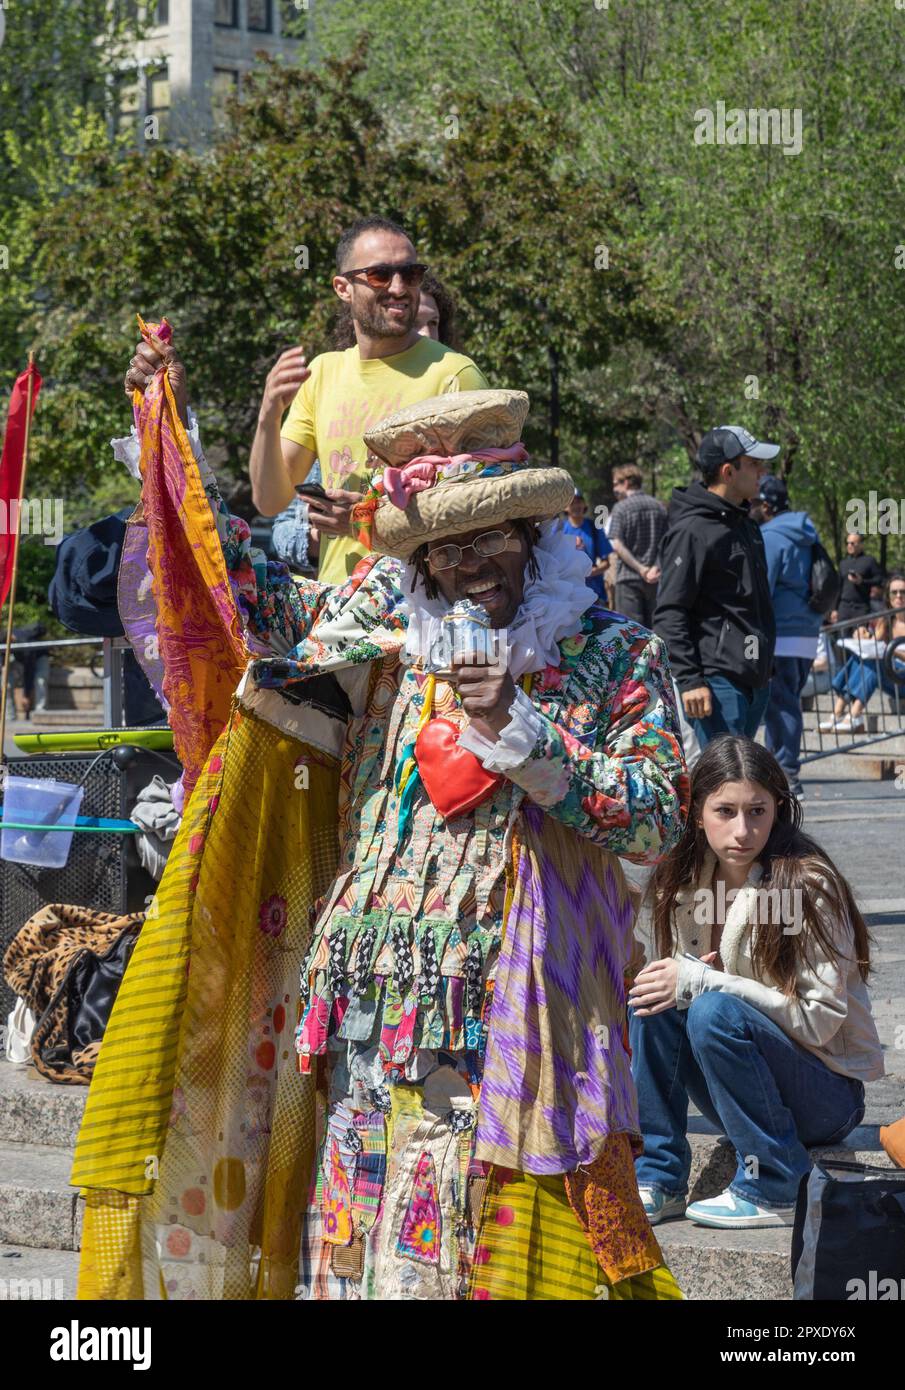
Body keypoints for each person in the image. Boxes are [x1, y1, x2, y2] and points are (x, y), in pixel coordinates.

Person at [74, 354, 691, 1300]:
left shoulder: (613, 653)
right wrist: (171, 447)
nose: (465, 564)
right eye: (441, 549)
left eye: (487, 538)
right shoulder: (387, 629)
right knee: (364, 1247)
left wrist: (527, 742)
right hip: (368, 1000)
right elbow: (248, 608)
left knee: (499, 1242)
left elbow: (654, 818)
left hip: (525, 1001)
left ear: (533, 533)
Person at [628, 735, 882, 1229]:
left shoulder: (805, 884)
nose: (743, 830)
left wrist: (707, 983)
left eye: (758, 811)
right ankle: (659, 1177)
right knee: (656, 996)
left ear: (778, 811)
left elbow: (820, 1021)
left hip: (825, 1099)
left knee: (708, 1005)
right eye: (725, 811)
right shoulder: (681, 880)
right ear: (697, 810)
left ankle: (774, 1184)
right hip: (741, 1089)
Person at [653, 426, 776, 748]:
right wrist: (691, 679)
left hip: (754, 680)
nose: (762, 471)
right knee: (724, 781)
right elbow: (670, 612)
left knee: (736, 778)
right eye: (754, 464)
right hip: (717, 682)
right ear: (728, 471)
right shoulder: (692, 530)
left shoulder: (748, 525)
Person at [758, 475, 824, 798]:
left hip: (780, 632)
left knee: (782, 704)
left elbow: (763, 588)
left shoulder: (771, 536)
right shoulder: (809, 533)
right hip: (808, 631)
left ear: (767, 506)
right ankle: (781, 769)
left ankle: (786, 772)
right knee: (788, 701)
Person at [819, 572, 905, 732]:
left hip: (902, 680)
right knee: (863, 658)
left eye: (903, 592)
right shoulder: (886, 620)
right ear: (889, 596)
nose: (899, 596)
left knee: (875, 661)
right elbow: (875, 645)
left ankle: (854, 715)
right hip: (890, 674)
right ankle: (839, 712)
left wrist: (892, 651)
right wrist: (863, 636)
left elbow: (885, 650)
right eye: (894, 592)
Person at [607, 465, 667, 627]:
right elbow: (667, 544)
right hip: (656, 580)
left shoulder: (620, 508)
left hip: (628, 580)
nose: (614, 489)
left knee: (632, 635)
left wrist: (641, 569)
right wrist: (655, 567)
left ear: (625, 483)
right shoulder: (659, 507)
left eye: (615, 484)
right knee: (657, 633)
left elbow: (617, 545)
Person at [561, 489, 612, 600]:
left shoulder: (595, 528)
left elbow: (606, 563)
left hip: (593, 593)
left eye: (579, 502)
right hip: (567, 594)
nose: (576, 506)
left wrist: (590, 572)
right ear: (565, 507)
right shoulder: (559, 530)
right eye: (572, 503)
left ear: (584, 504)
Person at [830, 532, 884, 627]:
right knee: (842, 640)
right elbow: (838, 587)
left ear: (861, 545)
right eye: (848, 543)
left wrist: (862, 581)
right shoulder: (843, 563)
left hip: (861, 607)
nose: (849, 545)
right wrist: (834, 609)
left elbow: (880, 579)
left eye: (852, 543)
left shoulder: (869, 561)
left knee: (860, 639)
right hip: (844, 607)